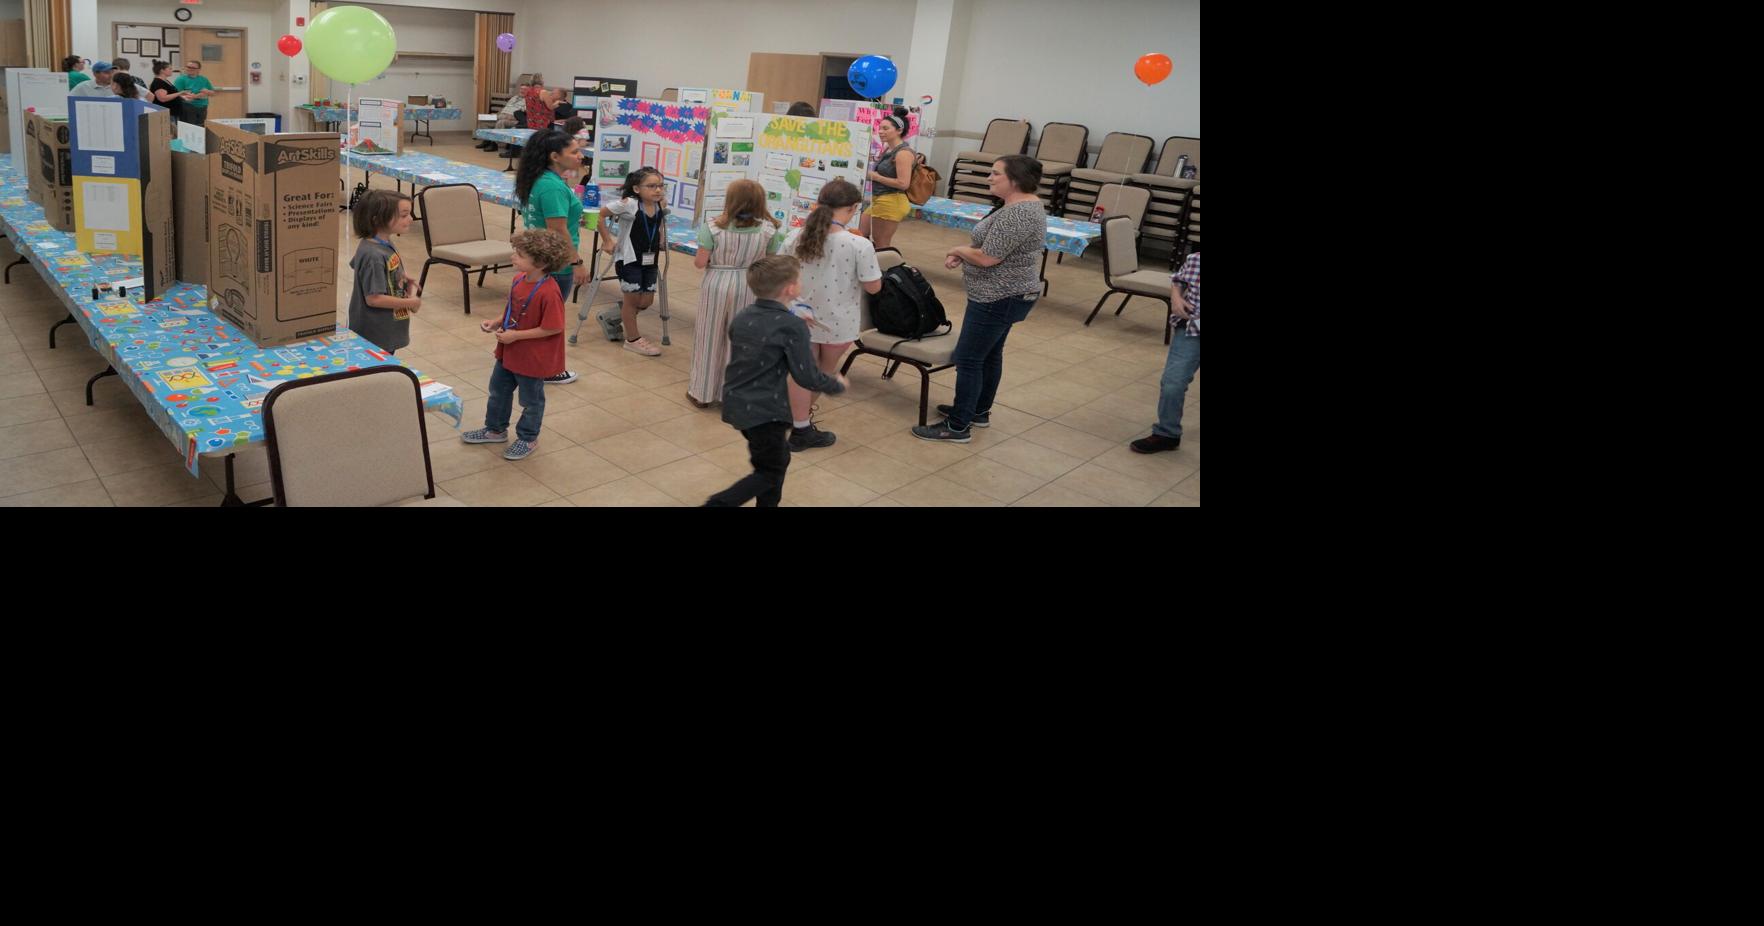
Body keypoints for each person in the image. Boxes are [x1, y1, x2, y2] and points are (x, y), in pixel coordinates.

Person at [913, 155, 1048, 443]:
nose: (990, 178)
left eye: (996, 174)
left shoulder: (1018, 214)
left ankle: (958, 426)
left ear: (1015, 180)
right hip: (1005, 293)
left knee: (969, 358)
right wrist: (963, 253)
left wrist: (959, 250)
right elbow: (987, 246)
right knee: (989, 354)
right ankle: (978, 410)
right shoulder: (1019, 206)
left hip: (999, 296)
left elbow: (988, 257)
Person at [703, 256, 849, 508]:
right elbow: (806, 375)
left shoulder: (744, 316)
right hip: (766, 410)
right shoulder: (792, 326)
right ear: (790, 289)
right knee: (770, 470)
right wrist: (836, 384)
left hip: (738, 402)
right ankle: (718, 504)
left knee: (775, 461)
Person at [782, 178, 882, 451]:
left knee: (802, 373)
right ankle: (800, 424)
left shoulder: (795, 236)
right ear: (852, 209)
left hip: (800, 317)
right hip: (838, 322)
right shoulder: (858, 244)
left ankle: (798, 420)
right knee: (822, 373)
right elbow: (874, 287)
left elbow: (779, 274)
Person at [460, 230, 574, 461]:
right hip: (509, 352)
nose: (513, 257)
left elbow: (553, 328)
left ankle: (528, 438)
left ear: (540, 263)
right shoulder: (518, 280)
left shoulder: (549, 293)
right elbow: (513, 310)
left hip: (532, 357)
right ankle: (495, 429)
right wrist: (497, 322)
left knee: (531, 400)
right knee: (498, 391)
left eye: (520, 255)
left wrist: (516, 336)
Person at [688, 179, 787, 407]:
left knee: (709, 337)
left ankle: (701, 393)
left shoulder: (712, 227)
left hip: (716, 283)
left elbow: (700, 263)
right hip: (750, 285)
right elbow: (770, 262)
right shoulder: (770, 230)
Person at [513, 129, 586, 384]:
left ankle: (529, 364)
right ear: (555, 156)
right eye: (574, 152)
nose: (580, 155)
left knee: (535, 316)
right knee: (549, 322)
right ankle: (547, 369)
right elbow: (558, 228)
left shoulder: (539, 179)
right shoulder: (551, 187)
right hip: (556, 263)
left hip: (538, 258)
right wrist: (576, 262)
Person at [1131, 251, 1200, 454]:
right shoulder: (1195, 259)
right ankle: (1167, 434)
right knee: (1172, 382)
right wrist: (1176, 298)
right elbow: (1178, 280)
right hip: (1191, 329)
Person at [596, 167, 668, 356]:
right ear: (637, 189)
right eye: (651, 186)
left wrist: (660, 237)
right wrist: (607, 240)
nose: (658, 190)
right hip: (629, 258)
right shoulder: (629, 204)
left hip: (650, 259)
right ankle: (633, 339)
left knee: (646, 301)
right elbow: (601, 215)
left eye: (660, 185)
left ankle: (611, 316)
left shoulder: (661, 204)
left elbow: (659, 222)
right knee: (632, 299)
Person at [347, 191, 422, 354]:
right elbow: (374, 298)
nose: (410, 219)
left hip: (385, 328)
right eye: (404, 215)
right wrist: (411, 302)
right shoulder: (373, 255)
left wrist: (398, 276)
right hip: (375, 334)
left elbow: (358, 266)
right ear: (378, 219)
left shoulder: (382, 240)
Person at [862, 106, 917, 250]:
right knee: (860, 234)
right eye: (880, 128)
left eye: (886, 129)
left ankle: (888, 270)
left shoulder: (903, 153)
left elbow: (903, 183)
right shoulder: (888, 149)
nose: (880, 132)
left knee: (882, 245)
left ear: (899, 130)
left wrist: (876, 177)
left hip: (892, 201)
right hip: (879, 198)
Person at [174, 61, 217, 125]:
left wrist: (207, 92)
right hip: (188, 107)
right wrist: (196, 96)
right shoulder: (180, 79)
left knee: (200, 127)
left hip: (203, 107)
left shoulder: (204, 79)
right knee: (189, 128)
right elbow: (176, 94)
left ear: (199, 69)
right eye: (188, 67)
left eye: (193, 67)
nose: (190, 69)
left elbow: (213, 93)